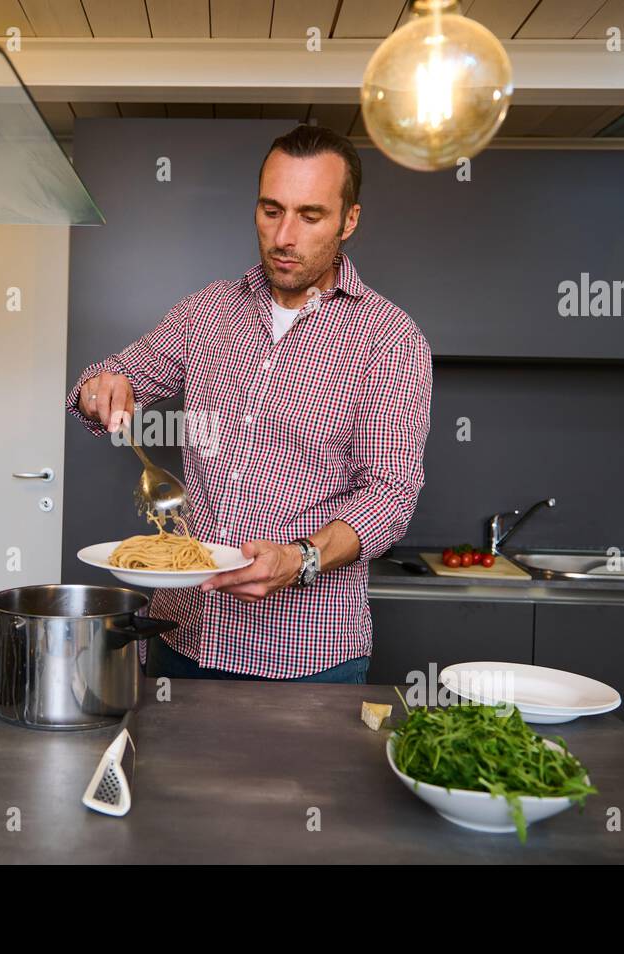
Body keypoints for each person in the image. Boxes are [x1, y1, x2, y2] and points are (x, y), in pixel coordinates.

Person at [66, 123, 432, 684]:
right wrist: (102, 387)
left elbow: (391, 495)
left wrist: (300, 558)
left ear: (349, 220)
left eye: (310, 216)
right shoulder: (206, 312)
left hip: (308, 658)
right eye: (271, 210)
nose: (284, 236)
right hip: (181, 637)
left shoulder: (390, 340)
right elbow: (112, 378)